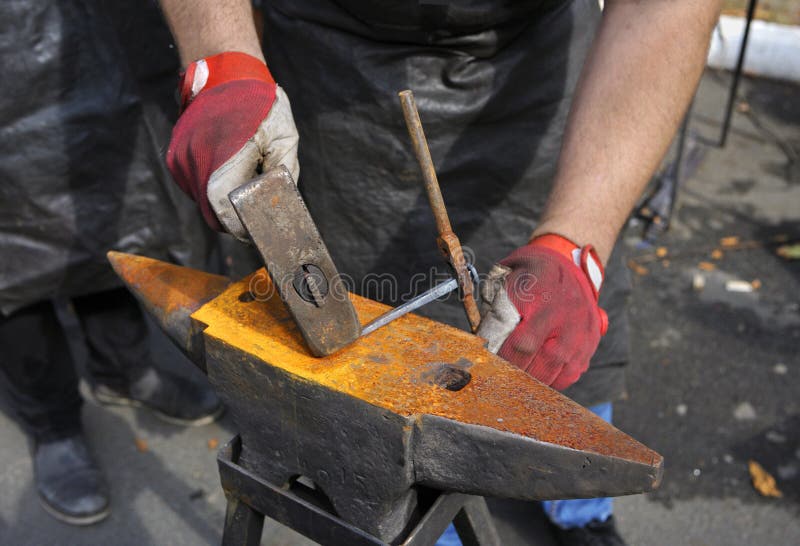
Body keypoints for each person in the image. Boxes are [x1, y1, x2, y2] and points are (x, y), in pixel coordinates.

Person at [159, 1, 721, 544]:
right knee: (378, 401)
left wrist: (579, 244)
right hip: (331, 75)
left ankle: (581, 512)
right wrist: (221, 63)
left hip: (545, 86)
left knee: (551, 346)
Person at [0, 1, 223, 526]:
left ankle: (122, 370)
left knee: (107, 217)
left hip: (87, 38)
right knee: (13, 253)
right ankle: (52, 421)